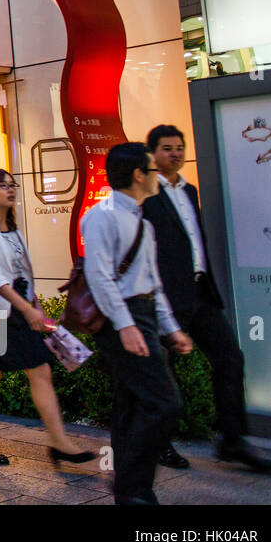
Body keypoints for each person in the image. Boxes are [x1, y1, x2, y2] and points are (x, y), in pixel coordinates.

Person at [144, 125, 271, 473]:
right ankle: (159, 444)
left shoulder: (189, 191)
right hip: (166, 297)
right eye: (167, 148)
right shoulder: (145, 195)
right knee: (162, 375)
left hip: (201, 292)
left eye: (179, 147)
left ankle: (232, 440)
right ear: (153, 154)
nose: (174, 153)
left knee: (230, 359)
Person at [82, 142, 193, 505]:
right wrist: (126, 325)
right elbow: (99, 277)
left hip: (140, 314)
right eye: (152, 167)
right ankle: (132, 485)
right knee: (164, 402)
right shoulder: (103, 215)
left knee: (130, 406)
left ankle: (132, 492)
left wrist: (170, 327)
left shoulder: (142, 221)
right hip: (120, 318)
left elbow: (153, 283)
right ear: (137, 175)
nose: (159, 173)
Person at [0, 170, 96, 466]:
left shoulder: (12, 227)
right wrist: (28, 308)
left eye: (13, 185)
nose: (10, 190)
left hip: (19, 311)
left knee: (41, 370)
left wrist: (36, 304)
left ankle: (59, 442)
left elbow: (23, 273)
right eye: (3, 186)